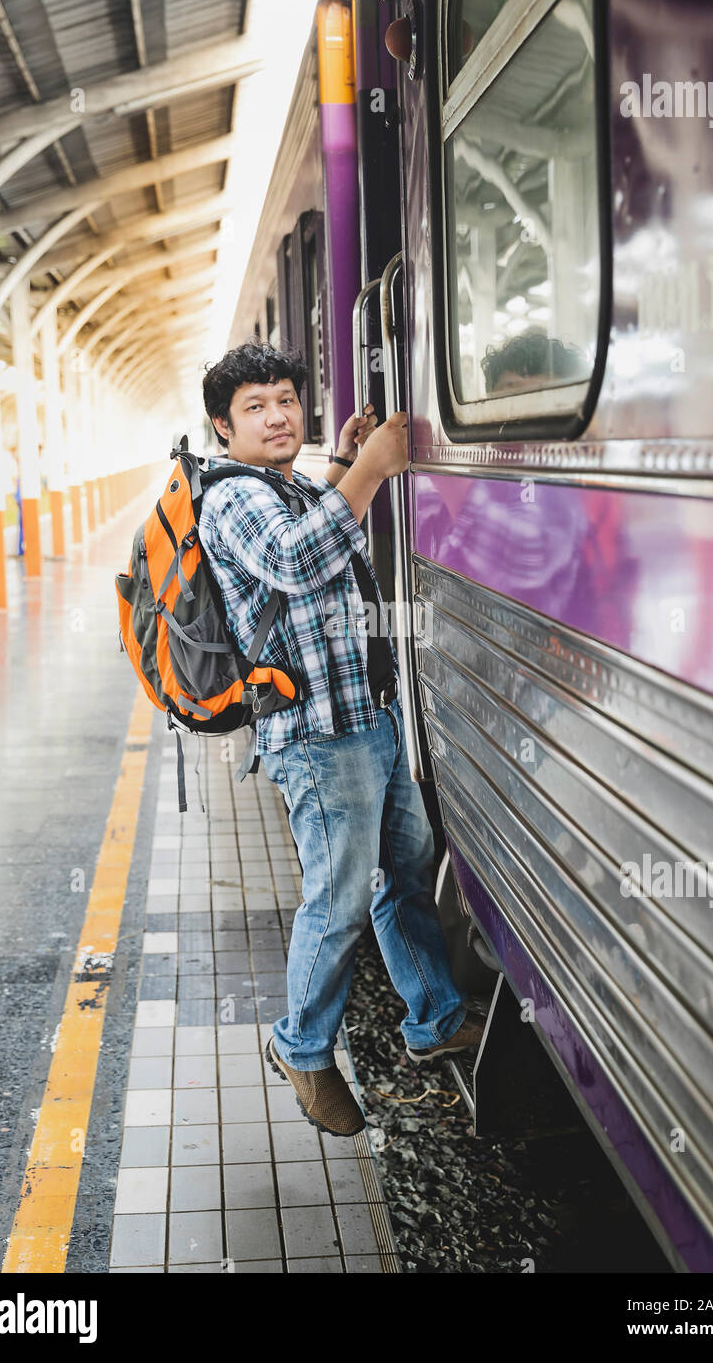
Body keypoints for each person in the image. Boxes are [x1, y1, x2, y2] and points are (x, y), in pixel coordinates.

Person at [199, 342, 484, 1138]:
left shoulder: (284, 484)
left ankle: (432, 1017)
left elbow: (311, 525)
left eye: (286, 398)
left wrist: (342, 464)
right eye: (255, 407)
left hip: (368, 714)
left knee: (407, 865)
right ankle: (302, 1046)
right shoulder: (231, 500)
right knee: (339, 895)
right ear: (224, 428)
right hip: (318, 735)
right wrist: (375, 469)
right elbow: (293, 561)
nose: (277, 414)